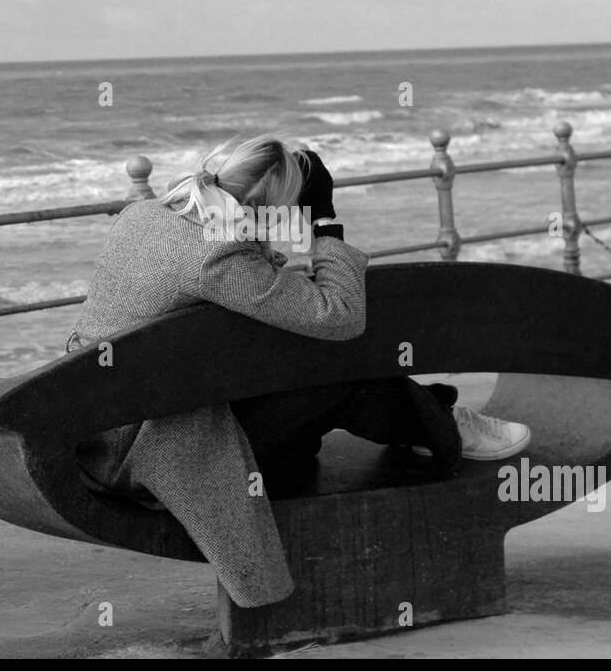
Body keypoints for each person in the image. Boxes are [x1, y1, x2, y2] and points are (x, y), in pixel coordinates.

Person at [66, 134, 530, 607]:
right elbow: (341, 314)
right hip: (154, 452)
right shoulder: (219, 257)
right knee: (342, 376)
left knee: (307, 355)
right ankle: (442, 425)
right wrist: (326, 221)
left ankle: (428, 418)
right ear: (267, 205)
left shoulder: (143, 216)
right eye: (287, 205)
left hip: (101, 434)